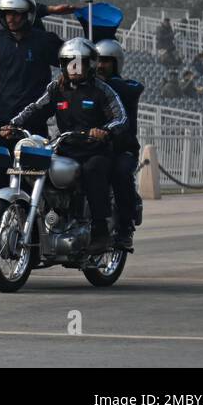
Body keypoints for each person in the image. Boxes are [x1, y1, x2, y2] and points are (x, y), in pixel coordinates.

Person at [3, 38, 126, 251]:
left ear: (90, 65)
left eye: (80, 62)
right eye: (70, 63)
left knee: (92, 170)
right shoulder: (56, 89)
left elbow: (120, 117)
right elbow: (35, 108)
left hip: (94, 150)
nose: (75, 68)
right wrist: (13, 124)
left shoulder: (102, 90)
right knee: (40, 170)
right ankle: (50, 219)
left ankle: (100, 230)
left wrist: (104, 130)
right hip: (65, 149)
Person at [0, 0, 65, 181]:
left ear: (28, 15)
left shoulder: (44, 40)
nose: (11, 18)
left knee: (32, 173)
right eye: (7, 13)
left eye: (17, 13)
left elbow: (68, 59)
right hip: (2, 115)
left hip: (33, 116)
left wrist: (65, 75)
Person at [94, 40, 143, 251]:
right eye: (96, 61)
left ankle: (125, 227)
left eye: (105, 61)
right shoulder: (89, 88)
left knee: (121, 172)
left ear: (117, 63)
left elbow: (133, 89)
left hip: (121, 149)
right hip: (93, 148)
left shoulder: (127, 87)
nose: (100, 66)